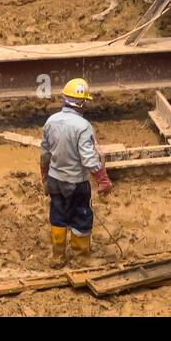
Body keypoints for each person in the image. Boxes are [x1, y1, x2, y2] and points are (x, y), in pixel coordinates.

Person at [40, 78, 113, 266]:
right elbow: (89, 158)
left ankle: (58, 256)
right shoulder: (83, 126)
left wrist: (44, 177)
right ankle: (81, 257)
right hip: (76, 183)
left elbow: (45, 153)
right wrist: (102, 180)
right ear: (82, 102)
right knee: (81, 217)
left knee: (58, 216)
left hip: (55, 180)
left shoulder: (51, 121)